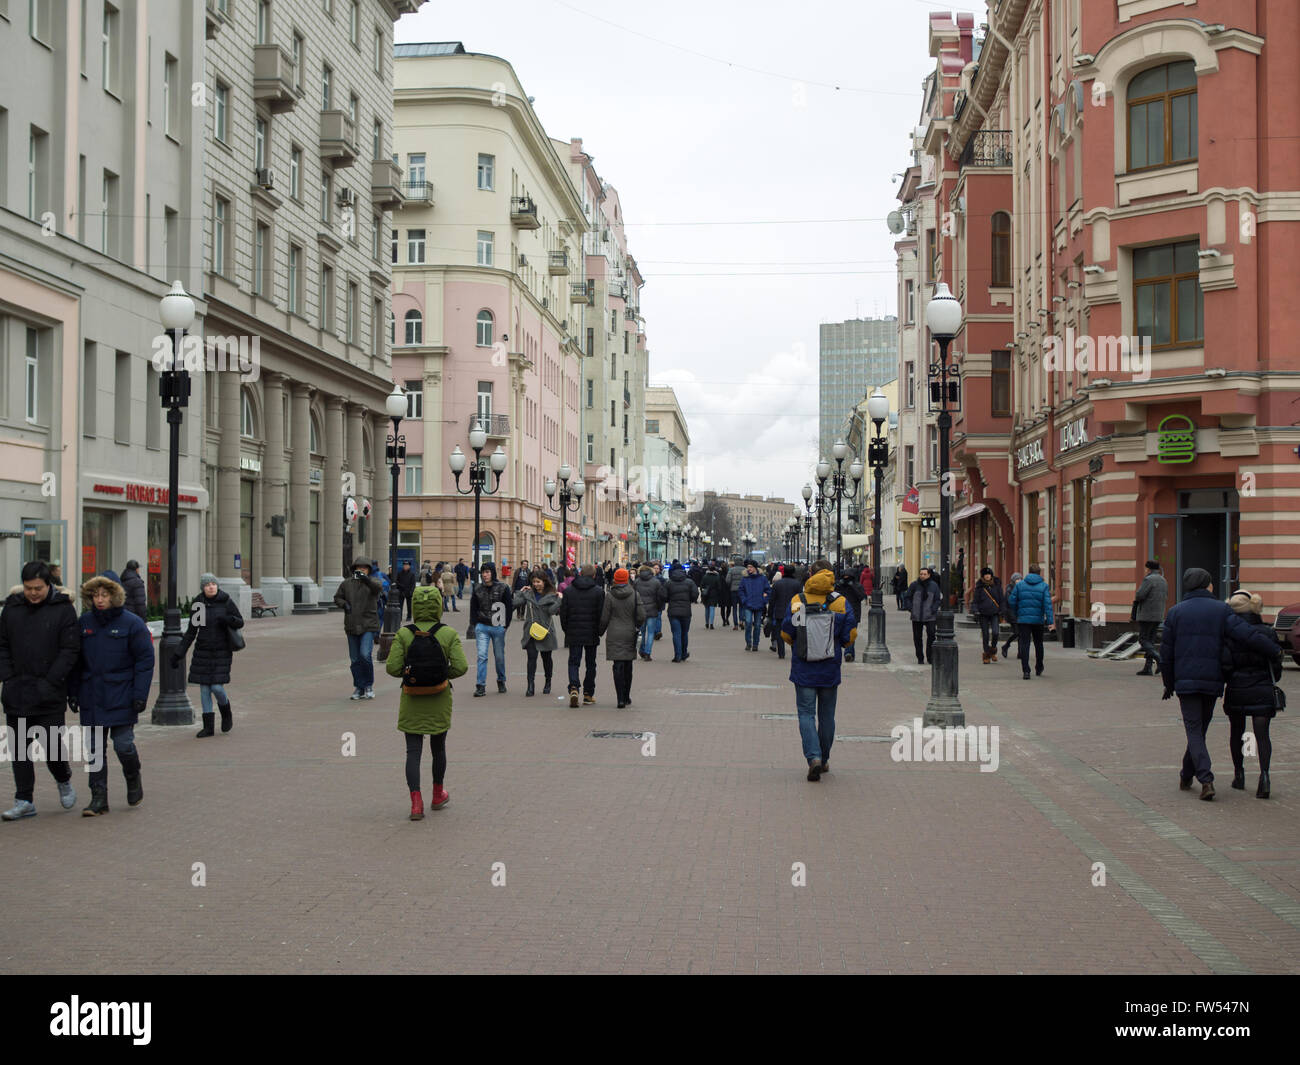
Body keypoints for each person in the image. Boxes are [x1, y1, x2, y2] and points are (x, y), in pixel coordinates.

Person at [1161, 568, 1282, 801]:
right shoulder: (1220, 610)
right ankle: (1188, 774)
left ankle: (1205, 779)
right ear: (1208, 586)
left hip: (1185, 683)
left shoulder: (1175, 613)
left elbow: (1166, 654)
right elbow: (1247, 634)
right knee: (1199, 730)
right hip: (1212, 680)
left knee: (1195, 731)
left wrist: (1168, 683)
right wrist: (1274, 649)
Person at [0, 560, 80, 820]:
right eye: (28, 588)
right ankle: (24, 800)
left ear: (49, 585)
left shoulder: (63, 611)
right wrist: (8, 678)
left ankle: (64, 778)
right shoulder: (11, 609)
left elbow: (70, 650)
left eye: (38, 588)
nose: (33, 593)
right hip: (17, 691)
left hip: (49, 693)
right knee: (19, 750)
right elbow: (2, 646)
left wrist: (50, 681)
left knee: (52, 747)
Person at [73, 571, 154, 816]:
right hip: (92, 695)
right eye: (95, 595)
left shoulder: (132, 623)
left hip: (122, 694)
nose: (100, 599)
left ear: (115, 596)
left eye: (105, 595)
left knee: (123, 745)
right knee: (94, 751)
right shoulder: (85, 623)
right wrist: (73, 692)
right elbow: (75, 660)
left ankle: (132, 776)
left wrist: (140, 694)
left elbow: (145, 660)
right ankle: (98, 797)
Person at [386, 583, 468, 820]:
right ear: (438, 606)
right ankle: (437, 793)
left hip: (412, 698)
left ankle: (416, 803)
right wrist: (443, 676)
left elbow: (392, 667)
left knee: (413, 751)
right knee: (438, 748)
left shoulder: (404, 633)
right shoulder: (448, 633)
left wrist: (409, 676)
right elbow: (461, 667)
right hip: (439, 698)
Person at [781, 560, 857, 782]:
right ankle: (823, 759)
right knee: (827, 715)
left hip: (804, 665)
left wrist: (799, 644)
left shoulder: (799, 601)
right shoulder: (840, 601)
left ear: (810, 574)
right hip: (829, 666)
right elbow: (850, 635)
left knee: (806, 713)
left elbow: (787, 633)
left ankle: (813, 757)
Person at [1221, 589, 1284, 798]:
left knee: (1237, 733)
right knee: (1262, 735)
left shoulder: (1229, 633)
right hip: (1262, 688)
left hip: (1237, 689)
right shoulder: (1267, 632)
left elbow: (1226, 664)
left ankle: (1239, 775)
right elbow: (1276, 663)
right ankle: (1264, 777)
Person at [174, 573, 245, 737]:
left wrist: (227, 619)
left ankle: (226, 711)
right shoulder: (198, 604)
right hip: (203, 651)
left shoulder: (225, 601)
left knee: (216, 687)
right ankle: (208, 727)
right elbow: (192, 632)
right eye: (207, 585)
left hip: (222, 651)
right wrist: (179, 653)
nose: (211, 586)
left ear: (217, 586)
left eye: (213, 584)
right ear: (203, 588)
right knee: (204, 689)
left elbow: (239, 621)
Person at [334, 558, 383, 700]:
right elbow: (337, 598)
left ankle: (368, 685)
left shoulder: (373, 582)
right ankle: (359, 687)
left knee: (365, 655)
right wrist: (344, 605)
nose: (361, 570)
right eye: (359, 568)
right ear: (354, 569)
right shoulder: (347, 583)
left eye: (364, 568)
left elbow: (377, 588)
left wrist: (366, 579)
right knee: (355, 659)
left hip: (368, 624)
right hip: (351, 624)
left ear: (369, 570)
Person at [600, 568, 647, 709]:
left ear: (615, 579)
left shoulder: (609, 595)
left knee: (617, 666)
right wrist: (637, 626)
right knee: (628, 665)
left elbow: (604, 617)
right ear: (627, 579)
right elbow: (641, 615)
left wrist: (600, 631)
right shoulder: (634, 594)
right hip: (629, 632)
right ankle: (626, 696)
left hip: (614, 633)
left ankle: (620, 698)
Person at [559, 564, 604, 706]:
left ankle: (573, 687)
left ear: (580, 573)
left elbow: (563, 614)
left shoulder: (569, 591)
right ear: (594, 576)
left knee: (574, 661)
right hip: (591, 632)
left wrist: (567, 630)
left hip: (573, 631)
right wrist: (599, 631)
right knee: (591, 664)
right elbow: (601, 615)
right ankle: (588, 694)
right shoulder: (598, 592)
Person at [467, 562, 513, 697]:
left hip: (498, 626)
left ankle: (501, 680)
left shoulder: (503, 588)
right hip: (482, 626)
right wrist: (474, 624)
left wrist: (505, 626)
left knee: (499, 657)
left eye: (487, 572)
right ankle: (480, 685)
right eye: (483, 572)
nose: (485, 575)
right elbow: (473, 608)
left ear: (493, 573)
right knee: (482, 656)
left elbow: (508, 607)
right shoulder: (477, 589)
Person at [516, 569, 560, 697]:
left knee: (546, 659)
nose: (536, 584)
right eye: (534, 582)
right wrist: (521, 592)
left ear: (545, 582)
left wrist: (559, 601)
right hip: (531, 631)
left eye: (538, 582)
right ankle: (530, 686)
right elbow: (515, 603)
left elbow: (552, 611)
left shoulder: (552, 595)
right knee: (531, 659)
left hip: (545, 632)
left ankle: (548, 682)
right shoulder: (528, 594)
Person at [1008, 563, 1054, 679]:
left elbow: (1011, 601)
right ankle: (1039, 667)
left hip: (1023, 620)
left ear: (1029, 572)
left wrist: (1018, 612)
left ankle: (1026, 671)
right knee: (1039, 644)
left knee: (1025, 644)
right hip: (1038, 620)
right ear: (1039, 573)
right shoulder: (1044, 586)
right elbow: (1048, 605)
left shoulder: (1020, 585)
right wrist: (1050, 622)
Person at [1132, 560, 1168, 676]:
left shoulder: (1148, 579)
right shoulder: (1163, 580)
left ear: (1148, 569)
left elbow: (1139, 595)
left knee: (1143, 640)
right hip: (1158, 615)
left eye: (1145, 568)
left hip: (1147, 615)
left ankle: (1159, 659)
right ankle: (1147, 668)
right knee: (1150, 641)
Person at [906, 567, 941, 665]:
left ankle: (930, 656)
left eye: (924, 574)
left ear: (929, 575)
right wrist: (911, 608)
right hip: (916, 616)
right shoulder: (914, 585)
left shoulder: (934, 586)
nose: (922, 576)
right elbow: (907, 597)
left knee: (931, 635)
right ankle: (920, 657)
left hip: (930, 616)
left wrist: (933, 609)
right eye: (921, 574)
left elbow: (937, 599)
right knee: (917, 638)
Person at [665, 563, 699, 663]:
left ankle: (677, 655)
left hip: (673, 611)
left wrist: (669, 600)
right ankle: (684, 653)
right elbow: (695, 594)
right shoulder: (689, 582)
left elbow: (663, 595)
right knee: (684, 633)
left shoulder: (669, 583)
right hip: (686, 611)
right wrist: (690, 600)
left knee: (676, 633)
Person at [634, 564, 668, 661]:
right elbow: (660, 597)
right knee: (651, 633)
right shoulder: (656, 582)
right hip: (652, 609)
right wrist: (658, 607)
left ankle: (642, 650)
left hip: (640, 610)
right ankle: (648, 653)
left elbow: (634, 596)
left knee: (642, 632)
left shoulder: (637, 582)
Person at [769, 565, 804, 659]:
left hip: (779, 612)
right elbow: (801, 599)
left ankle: (781, 653)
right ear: (793, 573)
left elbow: (772, 600)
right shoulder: (797, 584)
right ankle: (794, 651)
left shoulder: (777, 584)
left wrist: (770, 613)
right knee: (794, 632)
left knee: (780, 633)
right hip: (794, 611)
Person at [971, 567, 1005, 664]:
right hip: (983, 614)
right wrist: (975, 611)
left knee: (995, 632)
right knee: (985, 635)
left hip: (995, 613)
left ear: (991, 575)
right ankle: (986, 654)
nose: (987, 576)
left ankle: (992, 650)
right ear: (983, 576)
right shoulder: (979, 587)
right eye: (985, 575)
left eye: (989, 574)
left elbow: (1002, 600)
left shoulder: (997, 585)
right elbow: (975, 601)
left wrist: (1002, 610)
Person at [737, 560, 771, 652]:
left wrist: (764, 600)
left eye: (751, 567)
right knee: (748, 623)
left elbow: (768, 591)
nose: (749, 569)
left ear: (755, 568)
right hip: (748, 604)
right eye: (748, 567)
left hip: (759, 605)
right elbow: (741, 590)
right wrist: (744, 600)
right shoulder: (745, 578)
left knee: (757, 625)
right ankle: (748, 643)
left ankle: (755, 644)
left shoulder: (762, 578)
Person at [834, 568, 866, 662]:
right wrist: (837, 585)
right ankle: (845, 653)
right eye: (844, 577)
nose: (846, 579)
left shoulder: (857, 585)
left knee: (851, 634)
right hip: (840, 611)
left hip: (853, 613)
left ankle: (849, 653)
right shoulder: (839, 585)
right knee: (839, 633)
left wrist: (853, 587)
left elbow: (861, 596)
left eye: (848, 577)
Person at [1000, 572, 1022, 659]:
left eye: (1020, 579)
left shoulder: (1021, 588)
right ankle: (1005, 646)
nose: (1019, 581)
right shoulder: (1009, 589)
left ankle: (1020, 652)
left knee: (1021, 634)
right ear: (1013, 580)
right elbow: (1010, 602)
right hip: (1011, 614)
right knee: (1017, 633)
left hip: (1019, 614)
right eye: (1017, 579)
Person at [700, 563, 722, 629]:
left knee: (707, 609)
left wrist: (703, 591)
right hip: (714, 594)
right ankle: (711, 624)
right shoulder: (717, 577)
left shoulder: (705, 576)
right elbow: (719, 587)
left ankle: (707, 623)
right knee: (712, 609)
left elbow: (701, 585)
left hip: (706, 594)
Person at [726, 560, 746, 631]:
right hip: (742, 591)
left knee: (734, 608)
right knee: (742, 606)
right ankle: (741, 621)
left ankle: (736, 625)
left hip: (733, 590)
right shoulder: (745, 570)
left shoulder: (731, 570)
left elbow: (727, 580)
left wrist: (731, 586)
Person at [717, 562, 733, 628]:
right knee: (728, 607)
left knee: (722, 608)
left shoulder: (719, 574)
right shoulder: (729, 573)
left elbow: (718, 583)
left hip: (721, 593)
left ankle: (723, 620)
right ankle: (727, 618)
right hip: (728, 592)